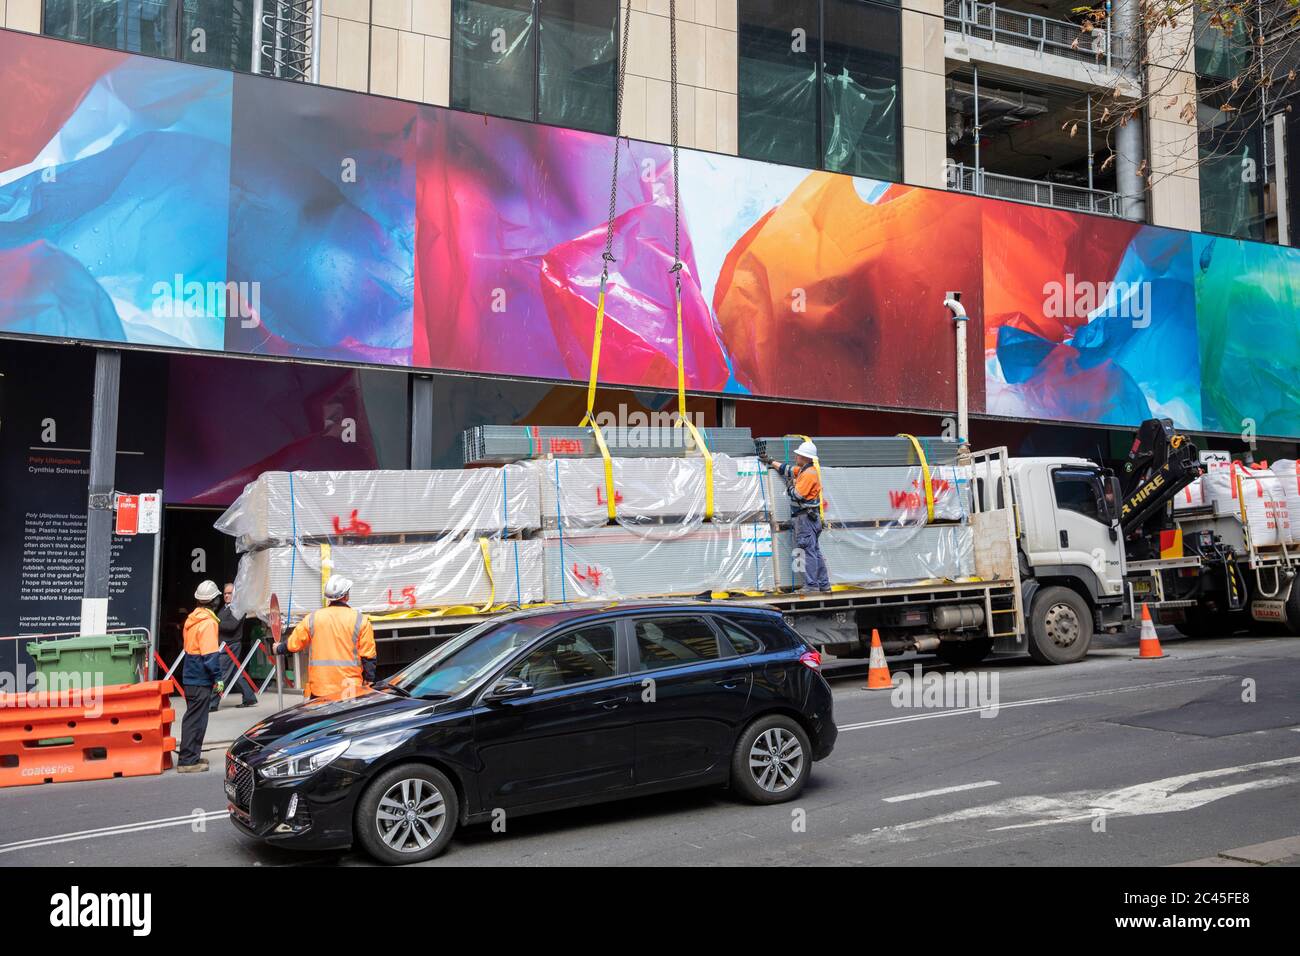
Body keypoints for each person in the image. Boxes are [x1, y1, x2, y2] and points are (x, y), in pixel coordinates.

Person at [272, 575, 377, 701]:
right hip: (349, 688)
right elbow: (368, 655)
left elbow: (294, 644)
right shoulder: (361, 620)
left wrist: (278, 648)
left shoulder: (313, 618)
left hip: (320, 688)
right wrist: (369, 679)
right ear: (346, 596)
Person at [763, 440, 831, 593]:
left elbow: (798, 495)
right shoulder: (805, 470)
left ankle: (812, 586)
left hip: (805, 519)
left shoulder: (808, 474)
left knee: (808, 552)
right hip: (811, 519)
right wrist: (770, 461)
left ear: (804, 457)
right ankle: (824, 585)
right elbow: (787, 469)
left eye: (798, 454)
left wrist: (790, 486)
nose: (796, 456)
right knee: (814, 551)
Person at [177, 580, 225, 773]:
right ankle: (188, 760)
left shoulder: (191, 621)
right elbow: (210, 655)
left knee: (192, 718)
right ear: (213, 601)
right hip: (200, 678)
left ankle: (191, 756)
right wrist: (218, 678)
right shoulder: (208, 623)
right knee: (197, 720)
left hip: (190, 675)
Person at [212, 582, 258, 712]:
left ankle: (212, 702)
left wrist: (215, 623)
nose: (226, 596)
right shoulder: (225, 608)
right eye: (225, 593)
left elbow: (231, 626)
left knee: (222, 674)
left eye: (229, 593)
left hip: (231, 646)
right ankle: (249, 697)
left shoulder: (238, 609)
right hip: (224, 645)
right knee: (233, 673)